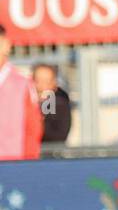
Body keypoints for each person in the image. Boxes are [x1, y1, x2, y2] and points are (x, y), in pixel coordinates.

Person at [0, 26, 42, 161]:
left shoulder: (22, 84)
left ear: (6, 44)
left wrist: (26, 167)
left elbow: (32, 128)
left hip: (12, 165)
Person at [31, 63, 71, 144]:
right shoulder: (26, 101)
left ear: (54, 83)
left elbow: (58, 136)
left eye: (47, 81)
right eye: (38, 81)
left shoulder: (60, 104)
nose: (42, 85)